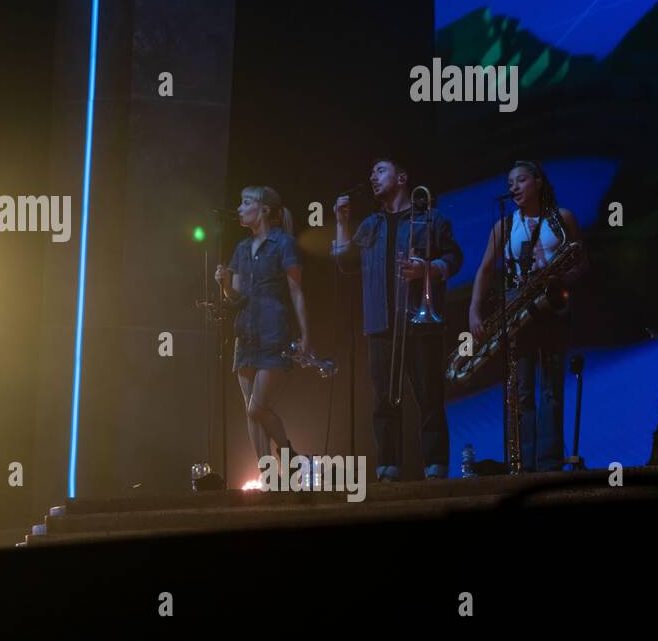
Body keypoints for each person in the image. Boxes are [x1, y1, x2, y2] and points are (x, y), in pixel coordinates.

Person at [332, 158, 462, 481]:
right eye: (371, 172)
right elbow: (346, 263)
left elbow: (455, 257)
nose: (372, 177)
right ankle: (388, 466)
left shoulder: (431, 218)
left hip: (420, 323)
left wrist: (427, 269)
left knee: (429, 397)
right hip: (381, 324)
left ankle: (435, 465)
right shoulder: (371, 224)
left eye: (380, 171)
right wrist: (341, 222)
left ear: (401, 178)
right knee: (383, 401)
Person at [467, 160, 586, 472]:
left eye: (520, 180)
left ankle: (549, 464)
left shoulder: (562, 218)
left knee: (551, 388)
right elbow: (485, 270)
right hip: (518, 307)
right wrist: (474, 310)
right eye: (510, 184)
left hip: (552, 308)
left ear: (538, 182)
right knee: (521, 391)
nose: (514, 187)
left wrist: (560, 280)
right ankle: (525, 466)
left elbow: (580, 262)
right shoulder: (504, 226)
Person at [215, 186, 310, 466]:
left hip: (272, 331)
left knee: (257, 408)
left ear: (264, 210)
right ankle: (269, 475)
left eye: (246, 202)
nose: (240, 208)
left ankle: (288, 454)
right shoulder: (242, 248)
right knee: (250, 408)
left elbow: (296, 291)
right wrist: (224, 284)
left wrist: (306, 335)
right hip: (245, 333)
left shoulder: (283, 243)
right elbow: (234, 296)